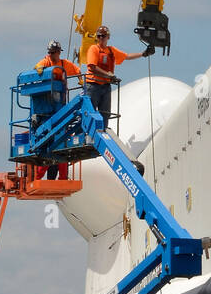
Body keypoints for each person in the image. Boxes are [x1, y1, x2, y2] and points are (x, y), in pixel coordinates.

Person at [33, 40, 82, 180]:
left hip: (60, 102)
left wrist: (80, 80)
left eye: (53, 52)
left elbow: (77, 70)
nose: (51, 54)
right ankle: (36, 178)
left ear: (58, 52)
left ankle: (62, 178)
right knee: (48, 142)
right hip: (46, 104)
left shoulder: (63, 64)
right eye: (50, 52)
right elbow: (38, 66)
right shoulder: (46, 62)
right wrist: (39, 70)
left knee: (61, 141)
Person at [84, 25, 147, 128]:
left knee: (105, 113)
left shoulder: (111, 51)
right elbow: (92, 67)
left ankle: (102, 132)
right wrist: (108, 74)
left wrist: (143, 54)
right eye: (99, 36)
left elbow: (126, 56)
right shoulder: (94, 49)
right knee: (91, 113)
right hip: (93, 85)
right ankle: (88, 134)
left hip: (105, 86)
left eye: (103, 36)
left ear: (108, 37)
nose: (101, 38)